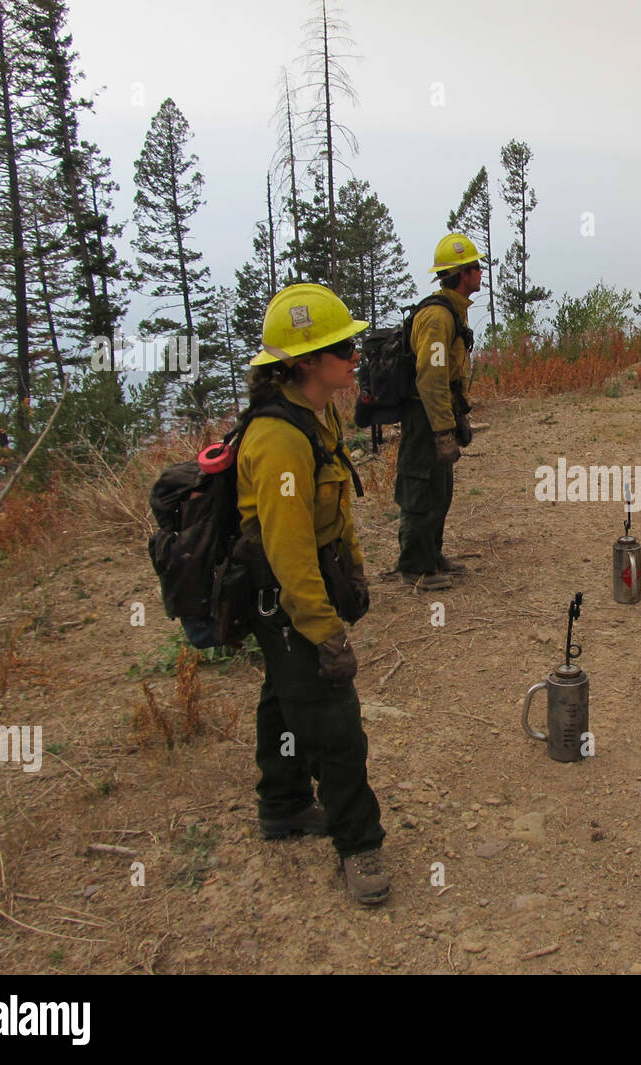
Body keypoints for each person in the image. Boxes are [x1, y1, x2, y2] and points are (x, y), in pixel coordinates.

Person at [236, 282, 390, 906]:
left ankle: (283, 804)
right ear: (303, 362)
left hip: (301, 588)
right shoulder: (278, 441)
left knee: (281, 694)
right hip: (286, 596)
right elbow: (288, 551)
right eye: (342, 347)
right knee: (334, 722)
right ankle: (359, 844)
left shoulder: (318, 410)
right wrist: (324, 630)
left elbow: (336, 503)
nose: (355, 354)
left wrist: (352, 565)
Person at [395, 233, 481, 590]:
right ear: (462, 274)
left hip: (437, 412)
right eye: (476, 267)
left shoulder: (451, 312)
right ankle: (414, 567)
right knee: (421, 490)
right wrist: (443, 430)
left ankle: (432, 555)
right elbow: (430, 377)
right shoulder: (436, 317)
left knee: (440, 491)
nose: (480, 274)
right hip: (425, 416)